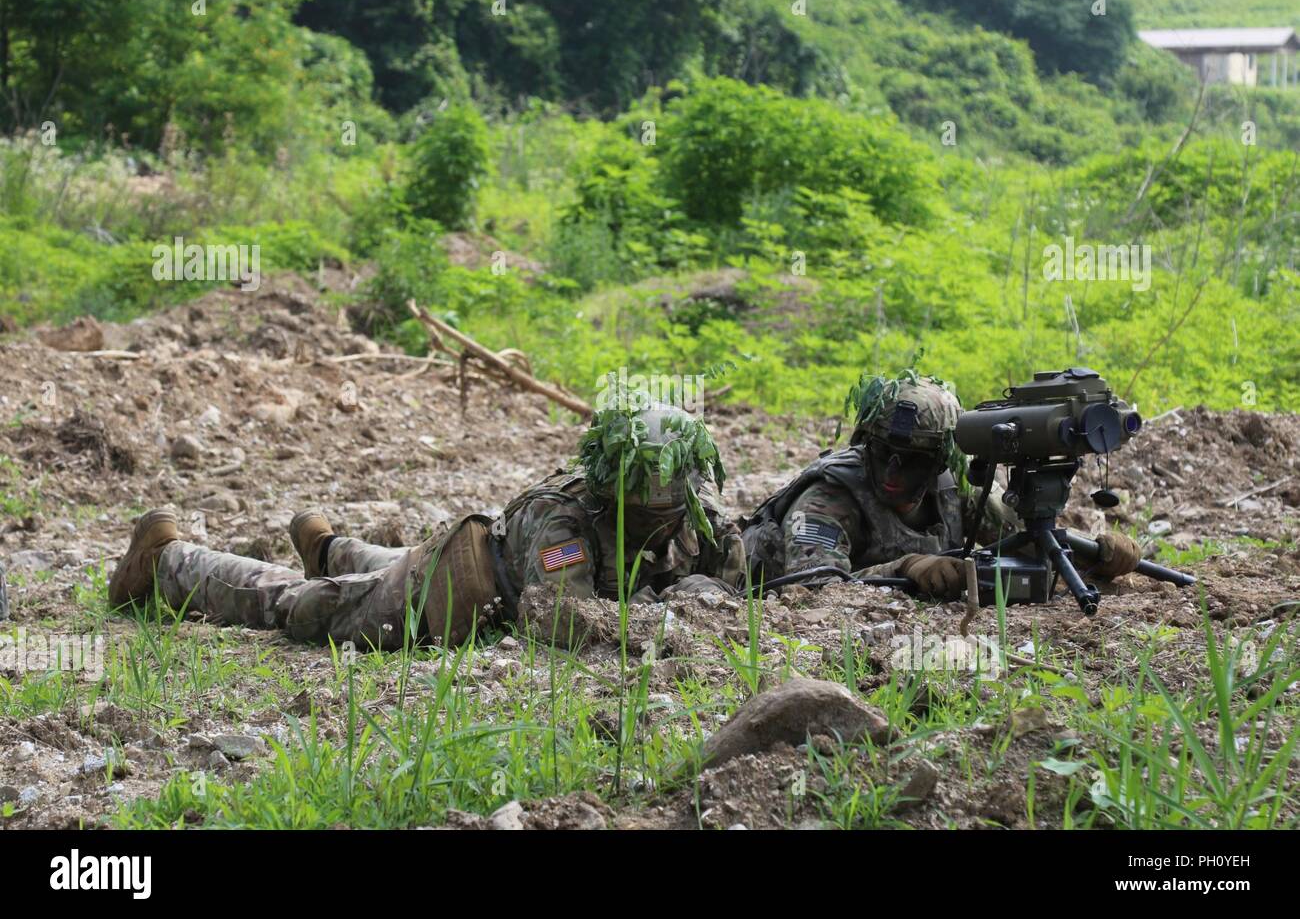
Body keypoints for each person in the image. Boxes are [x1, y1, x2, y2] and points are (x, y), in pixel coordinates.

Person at [108, 403, 745, 650]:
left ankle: (329, 546)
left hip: (470, 553)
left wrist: (703, 595)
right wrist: (670, 616)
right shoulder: (567, 523)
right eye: (646, 504)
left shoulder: (694, 515)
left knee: (378, 562)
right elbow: (563, 623)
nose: (664, 514)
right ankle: (166, 561)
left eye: (672, 502)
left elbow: (736, 580)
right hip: (455, 587)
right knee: (300, 609)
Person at [741, 369, 1141, 598]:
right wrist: (907, 566)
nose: (895, 471)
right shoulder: (829, 498)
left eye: (914, 460)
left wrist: (1098, 555)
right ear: (865, 445)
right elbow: (811, 587)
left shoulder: (955, 491)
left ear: (940, 461)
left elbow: (1031, 540)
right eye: (883, 454)